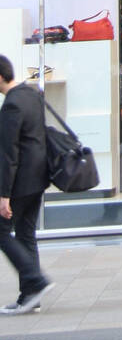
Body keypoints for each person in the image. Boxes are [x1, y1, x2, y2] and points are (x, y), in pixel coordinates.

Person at [0, 55, 54, 315]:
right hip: (38, 179)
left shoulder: (11, 105)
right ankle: (30, 298)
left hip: (21, 182)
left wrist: (4, 195)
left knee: (1, 231)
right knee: (25, 234)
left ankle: (37, 280)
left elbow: (9, 154)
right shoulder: (30, 95)